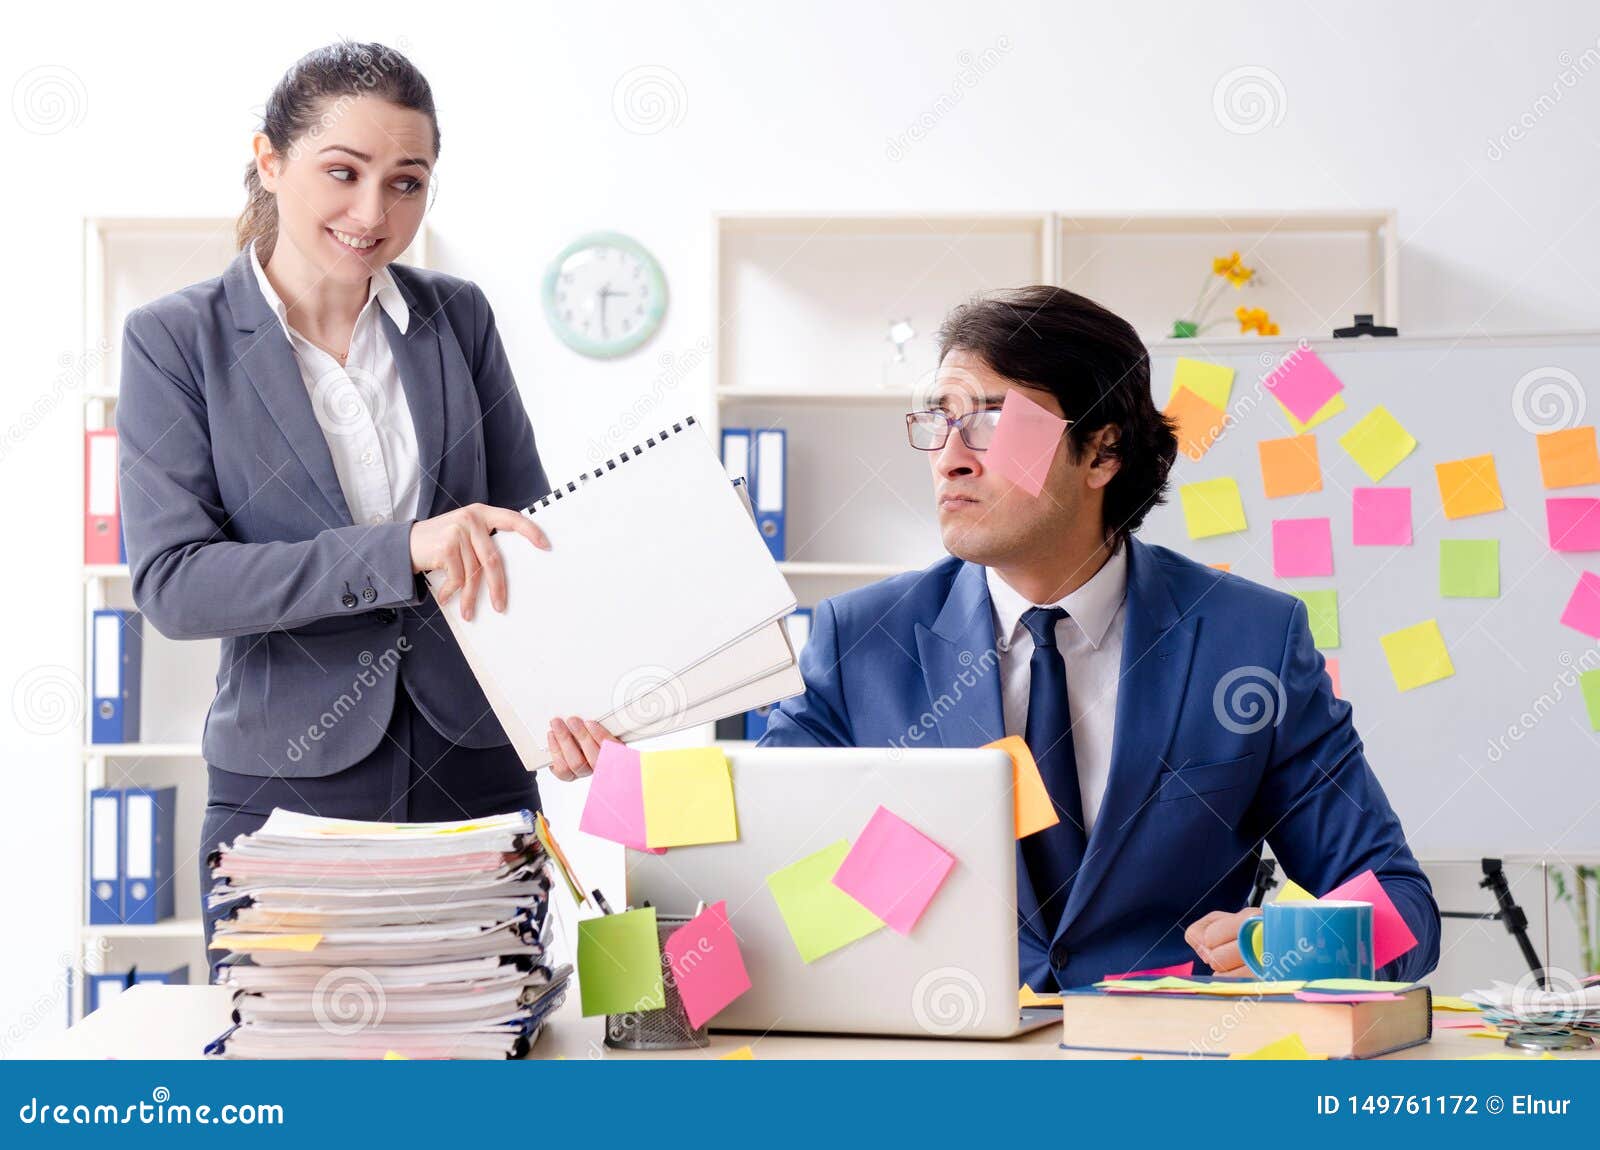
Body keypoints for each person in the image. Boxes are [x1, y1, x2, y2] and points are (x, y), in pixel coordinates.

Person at [755, 285, 1441, 991]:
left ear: (1101, 453)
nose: (950, 458)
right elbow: (761, 872)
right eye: (940, 419)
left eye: (992, 421)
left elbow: (1405, 911)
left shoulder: (1251, 642)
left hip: (1160, 1070)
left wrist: (1293, 942)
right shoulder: (859, 640)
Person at [115, 41, 604, 952]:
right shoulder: (176, 340)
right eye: (343, 172)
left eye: (407, 182)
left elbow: (528, 531)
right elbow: (177, 584)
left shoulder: (457, 318)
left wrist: (572, 696)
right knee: (301, 1073)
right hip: (289, 784)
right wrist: (402, 550)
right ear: (269, 160)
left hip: (478, 767)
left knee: (485, 1049)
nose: (374, 213)